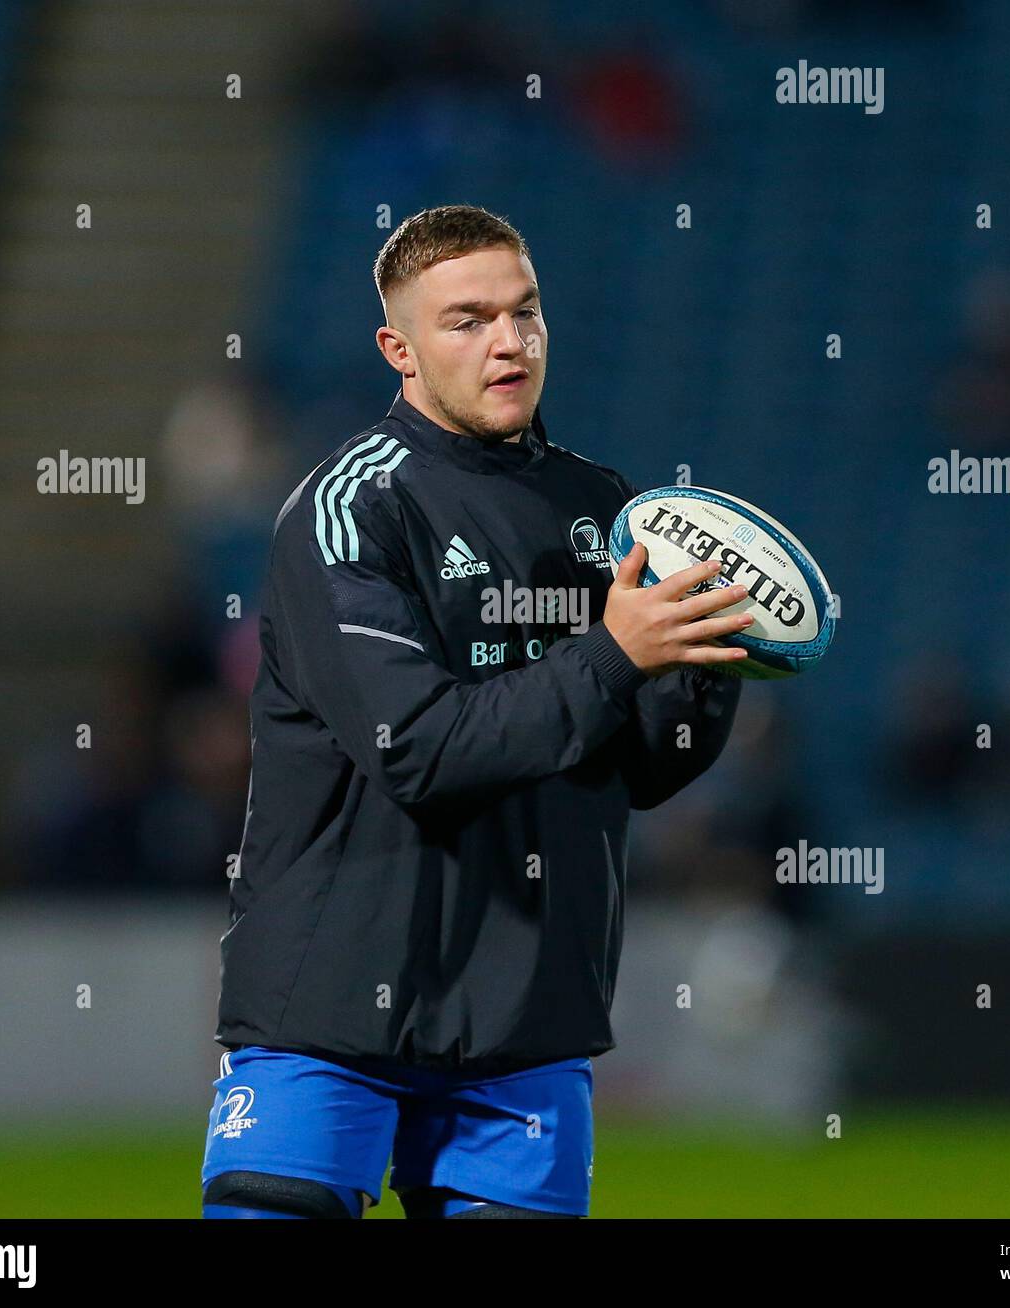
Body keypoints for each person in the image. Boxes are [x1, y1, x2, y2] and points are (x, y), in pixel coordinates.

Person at [202, 205, 748, 1219]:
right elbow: (417, 749)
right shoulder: (351, 507)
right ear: (397, 349)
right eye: (468, 319)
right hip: (328, 1012)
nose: (509, 341)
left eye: (525, 312)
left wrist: (709, 663)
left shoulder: (606, 508)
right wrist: (614, 653)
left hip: (524, 1026)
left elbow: (646, 767)